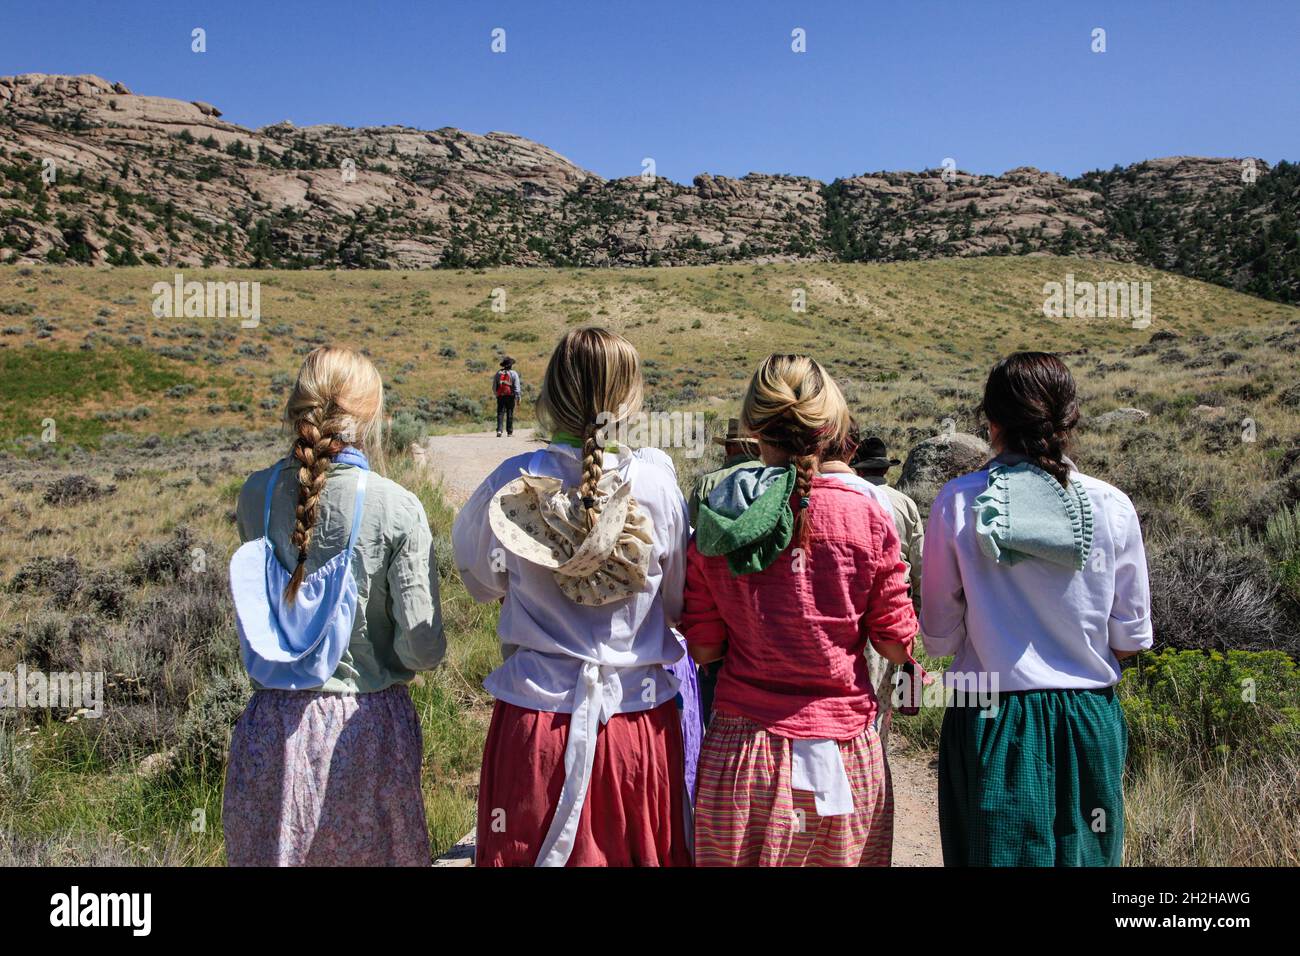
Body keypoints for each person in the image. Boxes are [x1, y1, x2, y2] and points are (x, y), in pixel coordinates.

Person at [453, 327, 694, 867]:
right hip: (637, 727)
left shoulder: (510, 484)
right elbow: (678, 604)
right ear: (629, 401)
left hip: (537, 720)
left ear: (546, 395)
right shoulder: (656, 489)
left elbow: (478, 578)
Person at [682, 354, 918, 867]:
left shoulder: (722, 522)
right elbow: (896, 643)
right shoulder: (870, 516)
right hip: (844, 750)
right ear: (828, 426)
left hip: (743, 756)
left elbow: (702, 647)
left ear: (754, 429)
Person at [920, 352, 1152, 867]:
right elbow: (1130, 641)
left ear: (992, 421)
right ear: (1069, 419)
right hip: (1087, 719)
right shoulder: (1112, 504)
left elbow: (938, 637)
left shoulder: (958, 501)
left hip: (989, 715)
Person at [224, 346, 446, 866]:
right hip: (364, 737)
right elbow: (422, 647)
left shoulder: (255, 494)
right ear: (369, 417)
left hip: (270, 731)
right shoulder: (397, 506)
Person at [686, 417, 761, 725]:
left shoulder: (707, 483)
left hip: (715, 602)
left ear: (730, 448)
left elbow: (693, 541)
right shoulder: (775, 479)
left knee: (714, 695)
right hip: (758, 607)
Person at [850, 433, 923, 608]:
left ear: (858, 470)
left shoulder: (848, 500)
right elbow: (919, 556)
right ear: (886, 469)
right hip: (897, 592)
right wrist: (919, 601)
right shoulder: (905, 503)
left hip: (857, 592)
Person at [686, 418, 760, 526]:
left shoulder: (707, 483)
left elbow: (692, 526)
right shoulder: (773, 477)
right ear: (759, 448)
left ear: (728, 448)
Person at [493, 356, 521, 437]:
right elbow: (517, 387)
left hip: (501, 396)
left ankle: (499, 430)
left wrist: (497, 394)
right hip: (510, 396)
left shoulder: (498, 373)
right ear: (511, 365)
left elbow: (494, 386)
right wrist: (518, 397)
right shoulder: (514, 373)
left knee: (500, 413)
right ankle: (509, 432)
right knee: (510, 413)